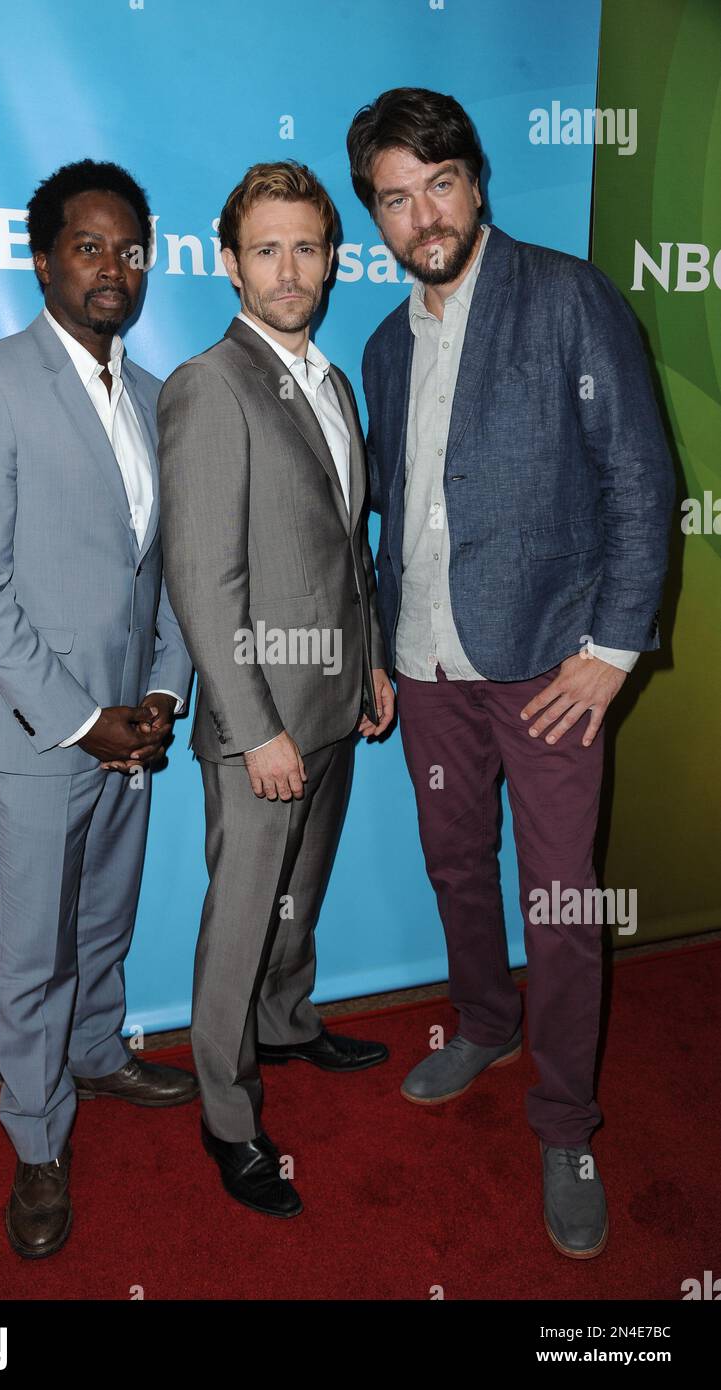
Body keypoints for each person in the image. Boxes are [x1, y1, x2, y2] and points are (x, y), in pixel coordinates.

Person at [348, 89, 674, 1258]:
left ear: (476, 182)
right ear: (375, 218)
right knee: (454, 865)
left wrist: (609, 652)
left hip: (548, 665)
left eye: (439, 183)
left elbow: (640, 481)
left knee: (564, 905)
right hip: (428, 666)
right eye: (395, 196)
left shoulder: (570, 296)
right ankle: (483, 1019)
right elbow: (387, 519)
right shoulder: (385, 346)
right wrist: (385, 650)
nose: (422, 212)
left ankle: (566, 1121)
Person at [0, 159, 196, 1259]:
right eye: (89, 247)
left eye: (131, 249)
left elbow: (166, 570)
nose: (113, 268)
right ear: (42, 259)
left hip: (136, 725)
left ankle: (95, 1051)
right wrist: (85, 720)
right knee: (30, 947)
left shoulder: (155, 394)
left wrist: (163, 692)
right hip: (42, 736)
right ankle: (36, 1143)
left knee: (103, 920)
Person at [154, 160, 395, 1218]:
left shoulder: (332, 382)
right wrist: (254, 730)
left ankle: (289, 1024)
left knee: (299, 900)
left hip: (336, 701)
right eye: (267, 249)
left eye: (307, 247)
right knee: (243, 916)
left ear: (332, 259)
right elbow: (202, 580)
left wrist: (373, 660)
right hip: (261, 725)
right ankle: (228, 1115)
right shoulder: (210, 385)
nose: (289, 270)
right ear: (228, 262)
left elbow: (352, 549)